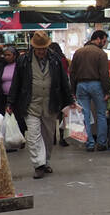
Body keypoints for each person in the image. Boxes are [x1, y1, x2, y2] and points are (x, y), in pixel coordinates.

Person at [10, 31, 74, 178]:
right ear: (33, 47)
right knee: (33, 136)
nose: (41, 52)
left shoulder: (56, 60)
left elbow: (64, 81)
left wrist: (70, 100)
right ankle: (38, 165)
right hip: (31, 104)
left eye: (43, 49)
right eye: (38, 49)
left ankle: (45, 162)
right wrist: (11, 102)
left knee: (48, 136)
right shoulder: (24, 60)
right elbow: (16, 82)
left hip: (50, 104)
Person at [70, 29, 110, 152]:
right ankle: (102, 143)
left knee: (85, 115)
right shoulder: (101, 54)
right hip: (96, 84)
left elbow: (72, 73)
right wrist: (107, 91)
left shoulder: (78, 52)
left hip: (81, 85)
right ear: (98, 39)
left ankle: (89, 143)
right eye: (103, 41)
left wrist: (73, 89)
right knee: (101, 114)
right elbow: (104, 74)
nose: (104, 43)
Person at [0, 47, 17, 115]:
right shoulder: (0, 67)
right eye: (5, 55)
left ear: (14, 56)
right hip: (2, 97)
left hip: (16, 98)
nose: (7, 57)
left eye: (9, 55)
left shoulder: (19, 66)